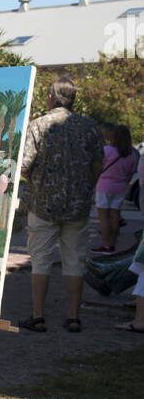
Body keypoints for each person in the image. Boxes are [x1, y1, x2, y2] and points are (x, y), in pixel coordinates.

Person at [18, 74, 102, 333]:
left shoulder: (38, 125)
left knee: (41, 260)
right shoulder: (89, 127)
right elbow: (98, 165)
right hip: (77, 204)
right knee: (74, 260)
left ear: (51, 97)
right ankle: (73, 317)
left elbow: (24, 165)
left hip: (43, 204)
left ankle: (38, 316)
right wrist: (85, 187)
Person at [93, 123, 137, 254]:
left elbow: (99, 167)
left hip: (104, 186)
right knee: (115, 216)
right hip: (120, 187)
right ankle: (112, 244)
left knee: (103, 217)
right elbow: (130, 172)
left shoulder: (107, 150)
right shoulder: (131, 154)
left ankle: (106, 245)